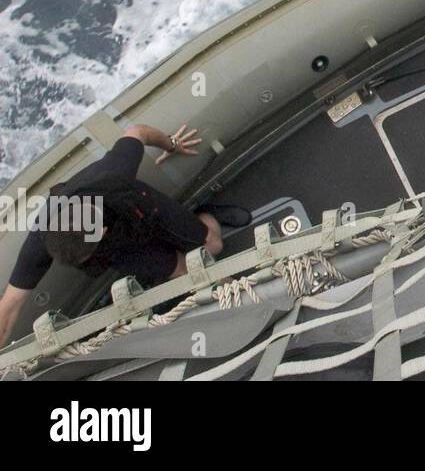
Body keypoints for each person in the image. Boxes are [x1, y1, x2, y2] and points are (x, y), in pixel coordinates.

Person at [0, 123, 249, 349]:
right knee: (184, 270)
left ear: (100, 230)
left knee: (213, 245)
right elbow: (9, 306)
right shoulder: (42, 238)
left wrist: (170, 144)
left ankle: (204, 214)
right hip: (119, 250)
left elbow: (136, 131)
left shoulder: (112, 174)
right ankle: (229, 292)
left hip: (140, 210)